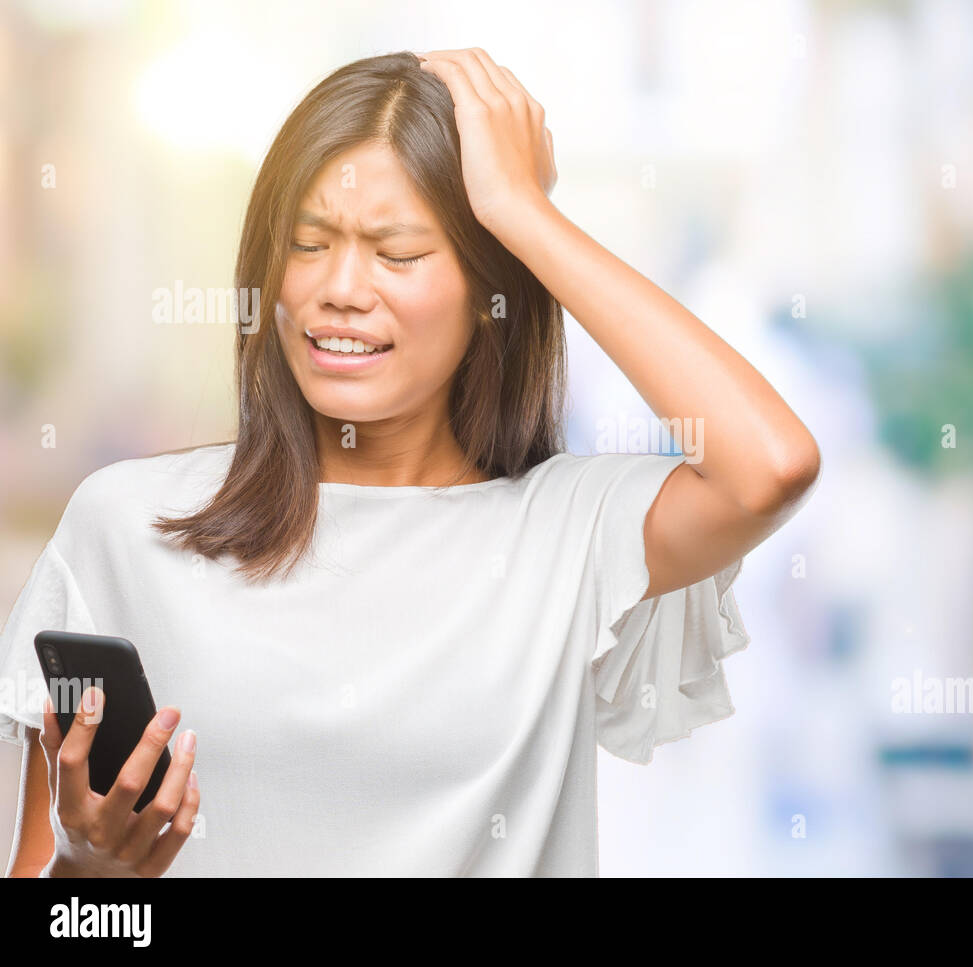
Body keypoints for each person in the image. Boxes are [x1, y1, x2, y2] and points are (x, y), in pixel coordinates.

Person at [0, 48, 819, 876]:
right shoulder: (126, 527)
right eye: (308, 243)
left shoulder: (570, 530)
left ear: (490, 293)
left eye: (396, 254)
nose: (341, 288)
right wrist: (92, 868)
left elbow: (772, 464)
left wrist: (525, 211)